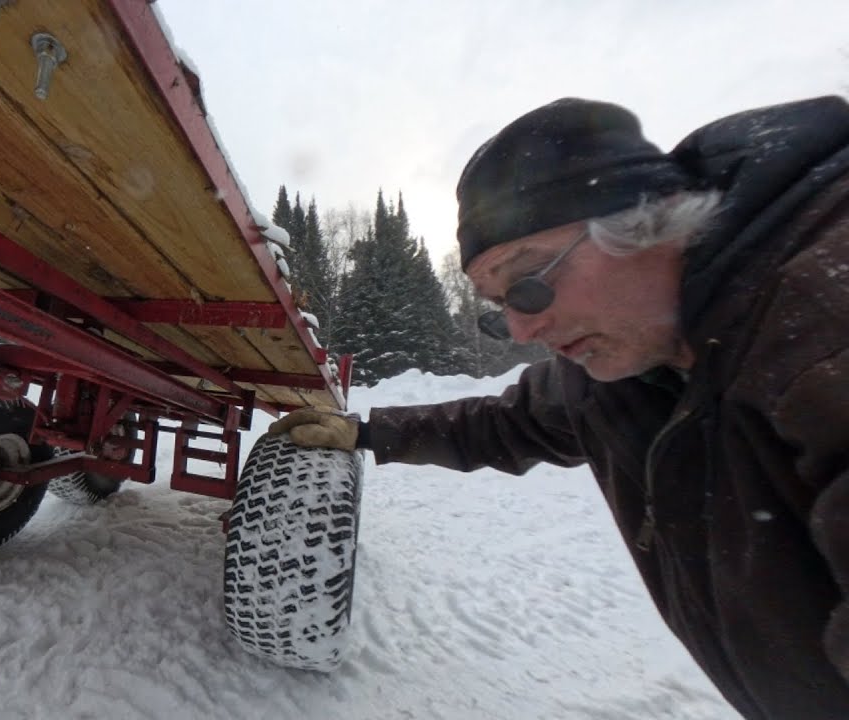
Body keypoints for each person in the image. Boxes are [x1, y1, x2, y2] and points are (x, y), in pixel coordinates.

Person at [269, 96, 849, 719]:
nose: (520, 330)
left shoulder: (820, 329)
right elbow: (507, 423)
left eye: (528, 282)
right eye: (498, 305)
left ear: (643, 219)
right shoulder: (624, 360)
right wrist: (365, 431)